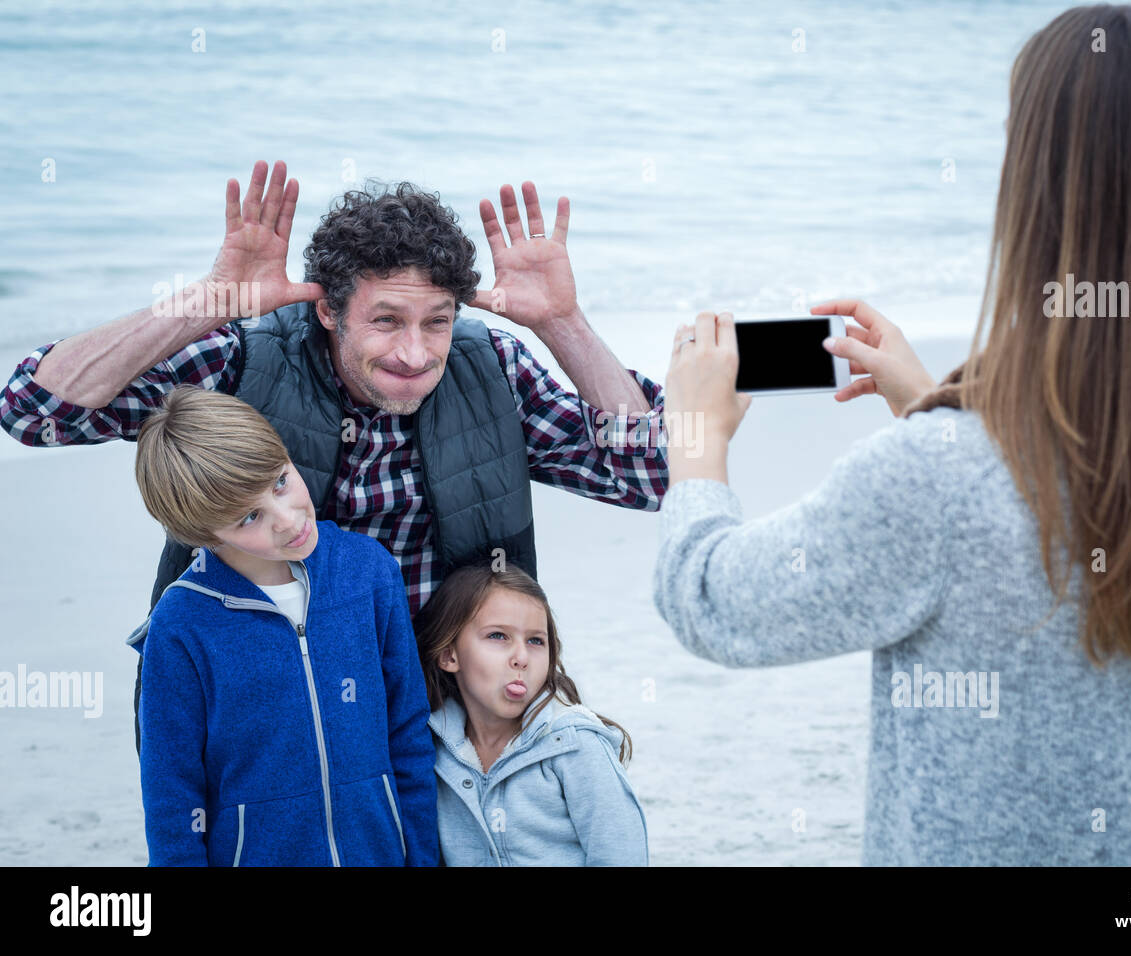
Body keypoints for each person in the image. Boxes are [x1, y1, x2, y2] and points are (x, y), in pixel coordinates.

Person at [652, 3, 1131, 865]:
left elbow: (713, 601)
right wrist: (937, 403)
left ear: (1039, 194)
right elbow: (1080, 502)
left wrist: (696, 434)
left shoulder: (943, 482)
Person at [0, 162, 668, 755]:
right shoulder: (246, 361)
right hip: (259, 723)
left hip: (443, 724)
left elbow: (651, 476)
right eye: (385, 321)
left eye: (436, 321)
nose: (415, 353)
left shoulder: (491, 368)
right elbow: (35, 410)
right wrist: (205, 304)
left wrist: (562, 322)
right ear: (329, 312)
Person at [129, 386, 439, 866]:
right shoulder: (181, 625)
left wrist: (420, 858)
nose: (287, 518)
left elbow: (408, 733)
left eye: (280, 482)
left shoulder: (368, 572)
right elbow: (172, 797)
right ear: (204, 535)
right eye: (250, 517)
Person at [414, 562, 648, 866]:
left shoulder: (576, 747)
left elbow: (621, 856)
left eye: (536, 641)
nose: (522, 658)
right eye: (498, 636)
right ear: (449, 654)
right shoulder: (431, 749)